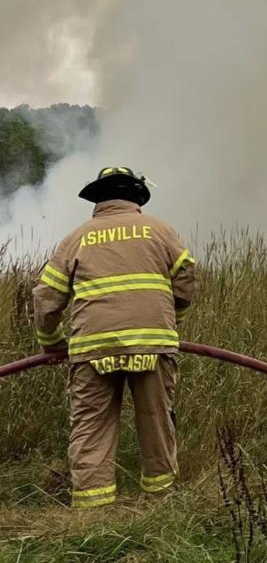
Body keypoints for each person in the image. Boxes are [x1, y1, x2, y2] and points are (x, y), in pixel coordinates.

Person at [33, 167, 196, 508]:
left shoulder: (75, 238)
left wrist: (52, 342)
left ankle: (93, 515)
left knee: (91, 428)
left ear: (98, 199)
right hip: (151, 344)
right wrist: (172, 322)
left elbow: (46, 297)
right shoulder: (160, 230)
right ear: (137, 197)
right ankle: (159, 503)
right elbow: (185, 278)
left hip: (92, 349)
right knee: (156, 423)